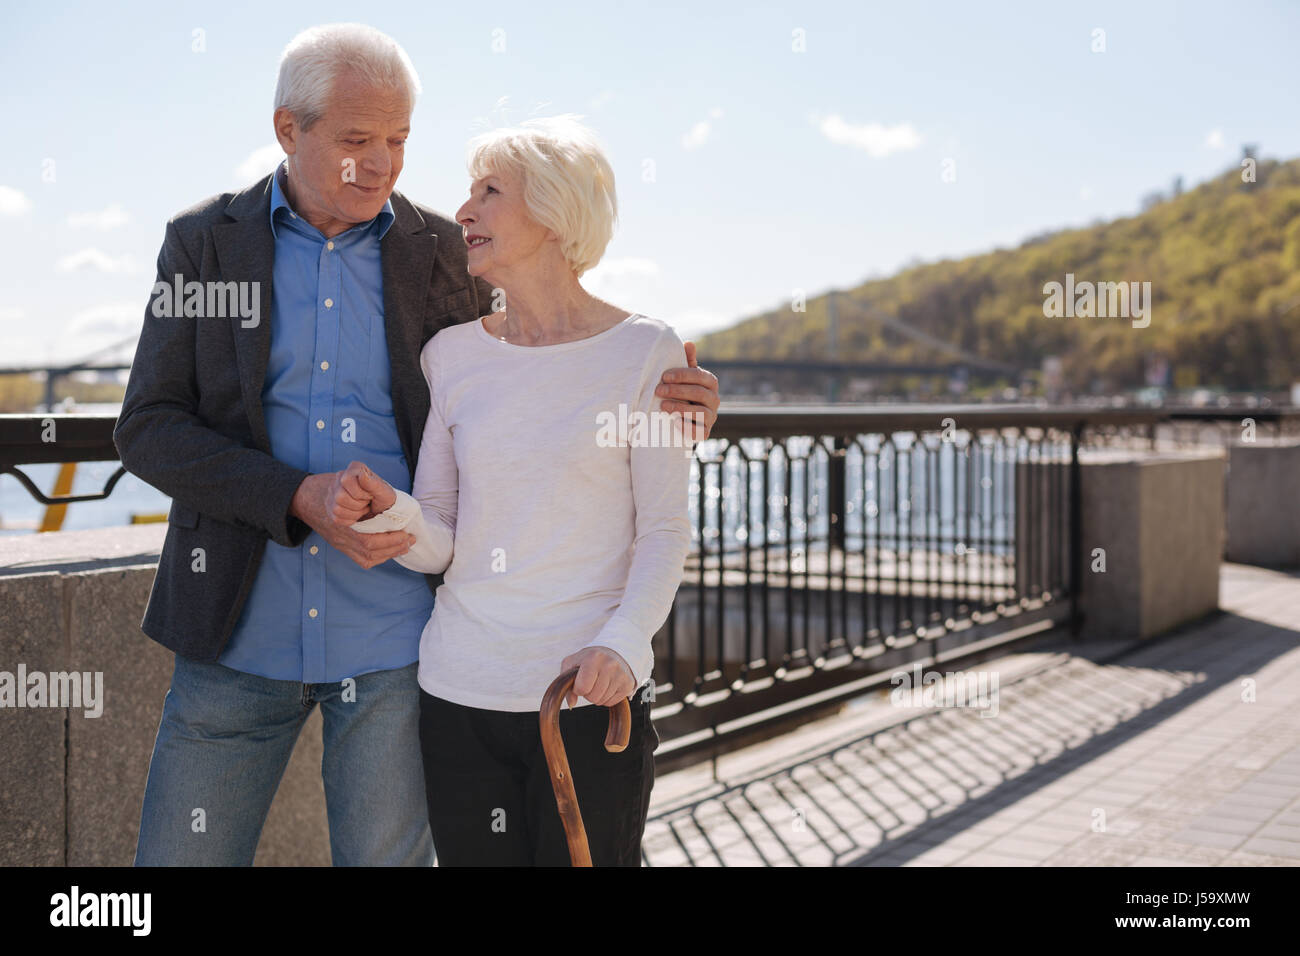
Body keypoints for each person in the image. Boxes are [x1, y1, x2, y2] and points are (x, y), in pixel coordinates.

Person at [113, 23, 720, 866]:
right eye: (357, 140)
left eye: (399, 140)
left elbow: (549, 361)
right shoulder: (204, 244)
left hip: (400, 654)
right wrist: (294, 495)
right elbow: (148, 425)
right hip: (236, 638)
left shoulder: (442, 250)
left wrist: (678, 398)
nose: (385, 164)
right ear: (289, 129)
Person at [337, 115, 693, 865]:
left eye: (490, 192)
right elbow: (440, 534)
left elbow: (663, 531)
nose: (464, 211)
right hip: (457, 693)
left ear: (558, 212)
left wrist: (624, 646)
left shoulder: (645, 351)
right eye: (468, 192)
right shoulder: (452, 355)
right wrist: (389, 513)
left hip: (588, 700)